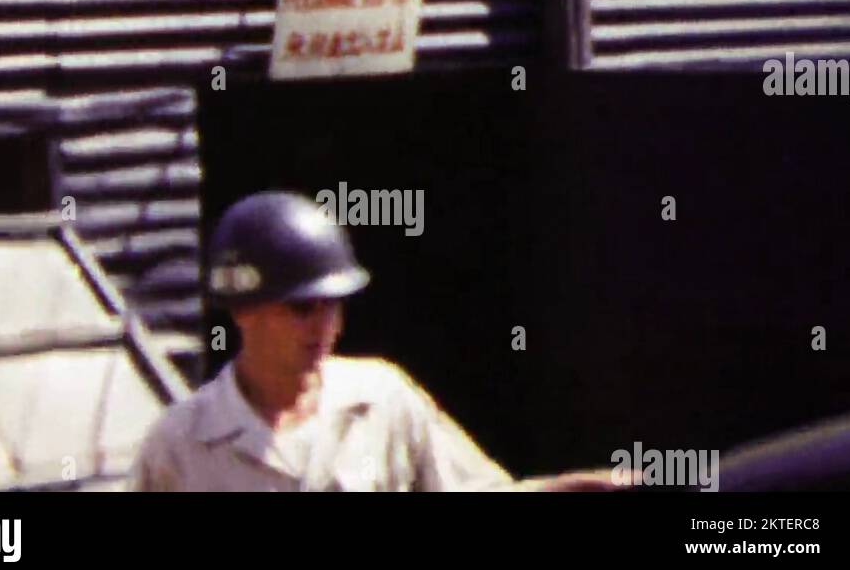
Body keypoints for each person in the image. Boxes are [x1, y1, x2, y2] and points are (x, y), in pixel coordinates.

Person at [129, 191, 622, 492]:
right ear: (243, 311)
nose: (323, 325)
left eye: (333, 305)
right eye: (302, 308)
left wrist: (578, 487)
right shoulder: (181, 446)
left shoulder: (382, 400)